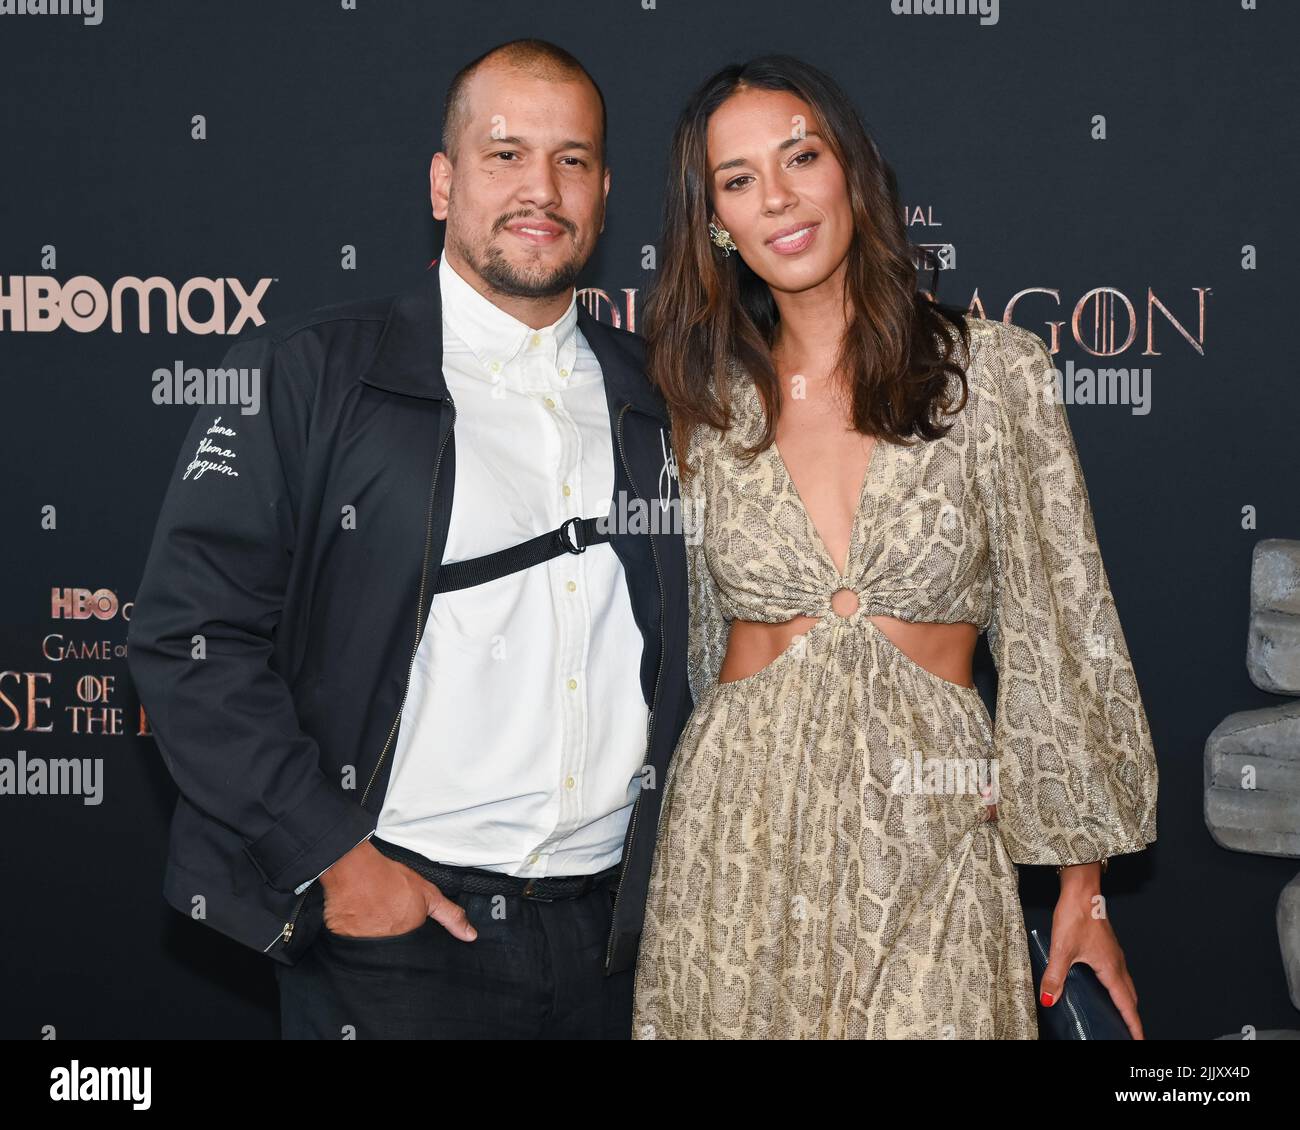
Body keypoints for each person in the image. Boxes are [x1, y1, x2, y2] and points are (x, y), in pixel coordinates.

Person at [127, 38, 693, 1039]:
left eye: (571, 160)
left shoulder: (665, 393)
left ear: (604, 194)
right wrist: (336, 863)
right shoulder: (307, 373)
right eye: (504, 154)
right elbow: (188, 640)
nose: (540, 188)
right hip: (402, 942)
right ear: (443, 182)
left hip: (621, 948)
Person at [631, 54, 1159, 1039]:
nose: (777, 198)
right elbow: (699, 647)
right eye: (738, 181)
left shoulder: (991, 372)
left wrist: (1080, 890)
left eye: (800, 157)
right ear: (714, 223)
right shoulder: (700, 405)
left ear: (852, 174)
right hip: (737, 831)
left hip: (935, 821)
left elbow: (1060, 627)